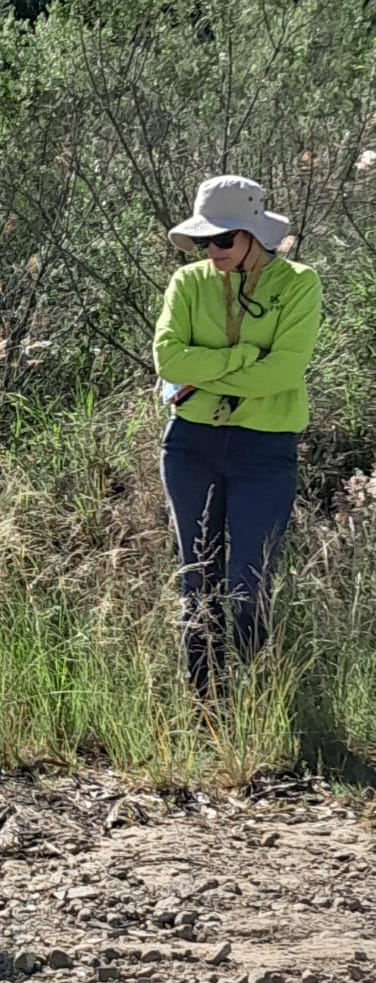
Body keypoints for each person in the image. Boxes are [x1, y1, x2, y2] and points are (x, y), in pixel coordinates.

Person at [153, 174, 322, 698]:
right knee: (197, 576)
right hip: (191, 445)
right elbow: (168, 359)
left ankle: (249, 692)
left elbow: (282, 375)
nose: (213, 250)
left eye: (223, 239)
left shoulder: (299, 284)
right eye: (205, 241)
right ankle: (205, 697)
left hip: (264, 449)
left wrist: (204, 371)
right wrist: (246, 357)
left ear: (254, 234)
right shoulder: (188, 284)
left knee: (248, 580)